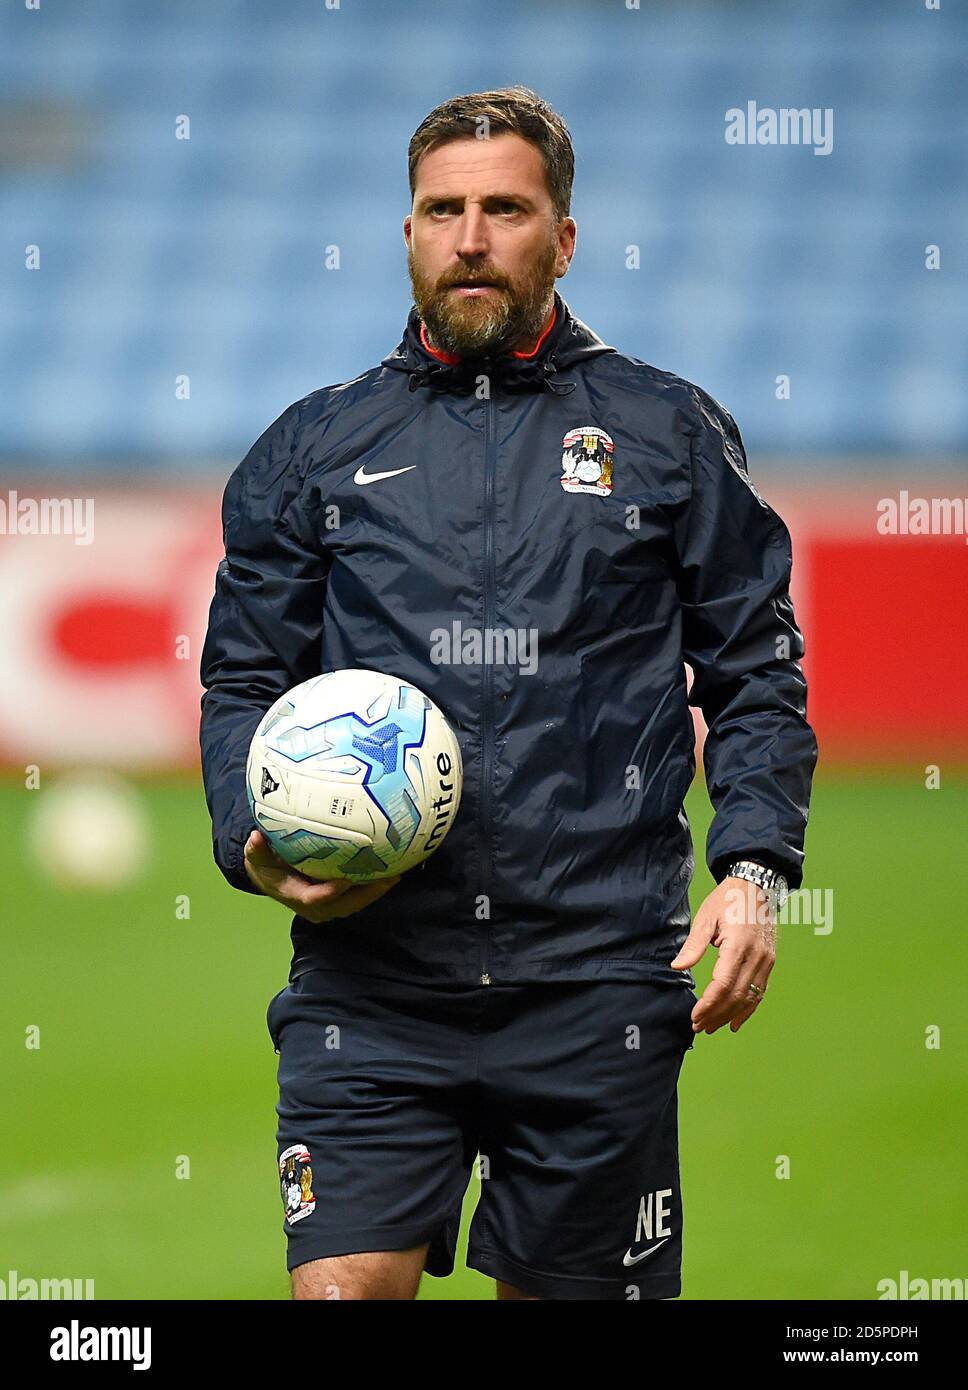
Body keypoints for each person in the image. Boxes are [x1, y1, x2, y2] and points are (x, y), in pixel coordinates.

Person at [199, 86, 818, 1301]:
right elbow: (243, 680)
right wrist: (252, 840)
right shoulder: (311, 449)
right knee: (340, 1290)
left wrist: (754, 869)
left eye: (503, 208)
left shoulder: (667, 434)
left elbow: (754, 673)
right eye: (442, 210)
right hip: (370, 981)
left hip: (595, 979)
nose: (469, 236)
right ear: (410, 233)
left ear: (563, 237)